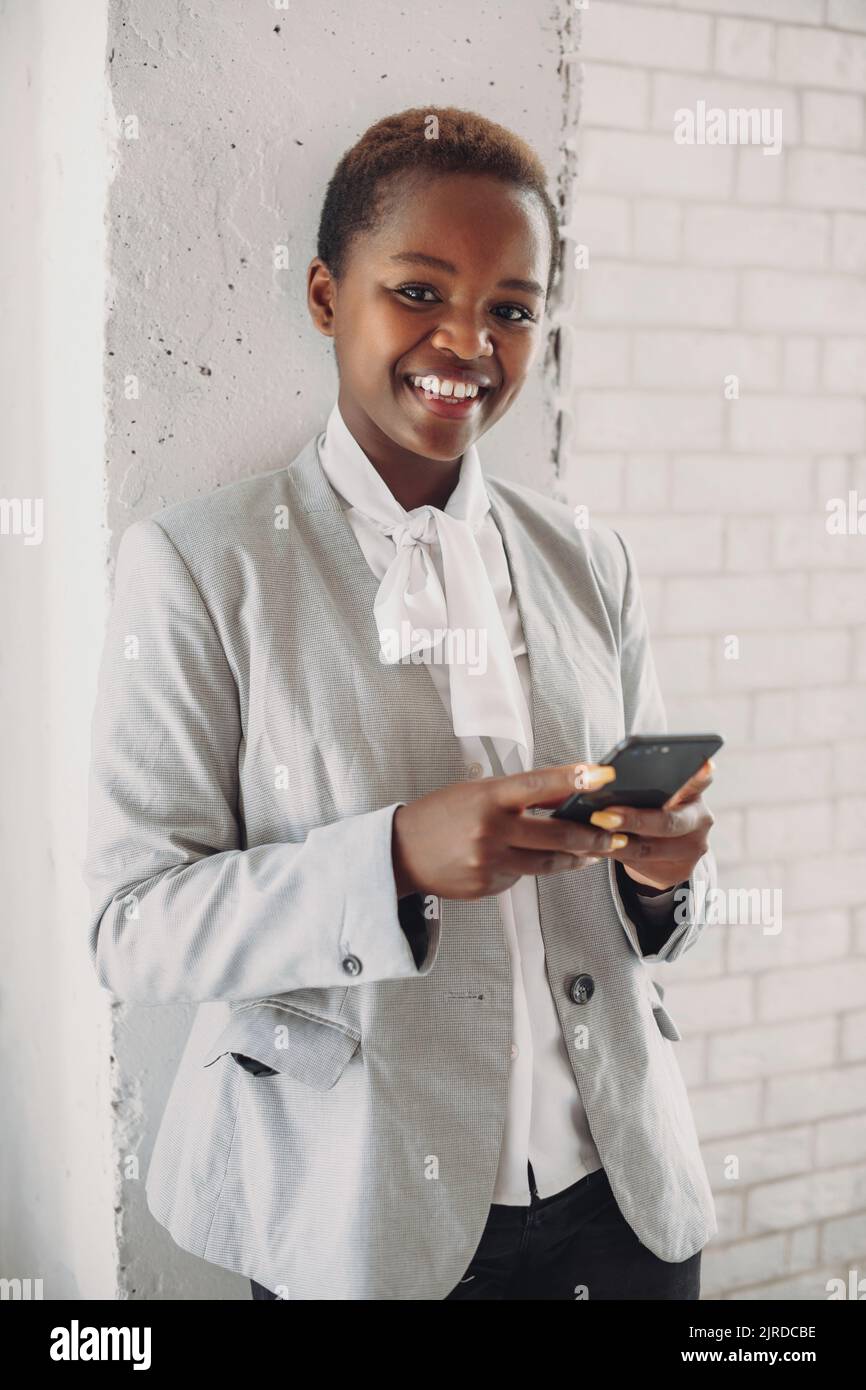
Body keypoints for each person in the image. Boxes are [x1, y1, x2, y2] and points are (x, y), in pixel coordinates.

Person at [83, 106, 719, 1301]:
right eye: (419, 291)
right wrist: (389, 862)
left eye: (512, 309)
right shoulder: (199, 564)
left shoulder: (590, 555)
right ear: (327, 297)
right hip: (361, 1217)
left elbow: (652, 888)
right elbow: (131, 925)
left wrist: (662, 874)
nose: (468, 342)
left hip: (624, 1202)